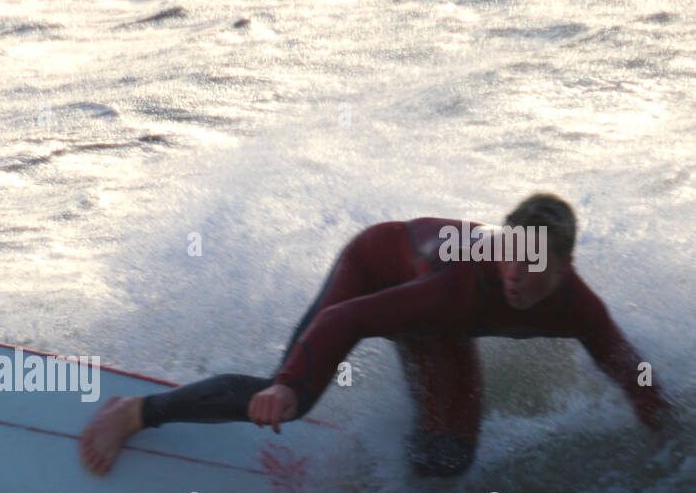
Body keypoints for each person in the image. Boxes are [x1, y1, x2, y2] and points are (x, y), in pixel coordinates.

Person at [81, 194, 677, 478]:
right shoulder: (463, 285)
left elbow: (625, 366)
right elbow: (348, 320)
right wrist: (288, 384)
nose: (518, 275)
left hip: (439, 323)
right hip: (376, 271)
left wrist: (670, 435)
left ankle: (363, 489)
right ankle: (137, 413)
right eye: (512, 258)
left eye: (537, 266)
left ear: (567, 265)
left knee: (448, 458)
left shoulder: (579, 307)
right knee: (294, 395)